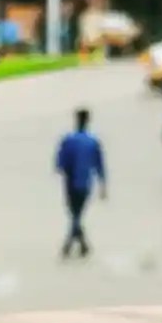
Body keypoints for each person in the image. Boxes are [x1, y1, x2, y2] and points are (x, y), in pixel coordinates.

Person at [54, 108, 108, 259]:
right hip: (85, 182)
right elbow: (100, 166)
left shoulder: (68, 140)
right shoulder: (93, 141)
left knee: (74, 213)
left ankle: (70, 244)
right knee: (77, 213)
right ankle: (82, 244)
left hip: (70, 182)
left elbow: (59, 164)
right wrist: (103, 185)